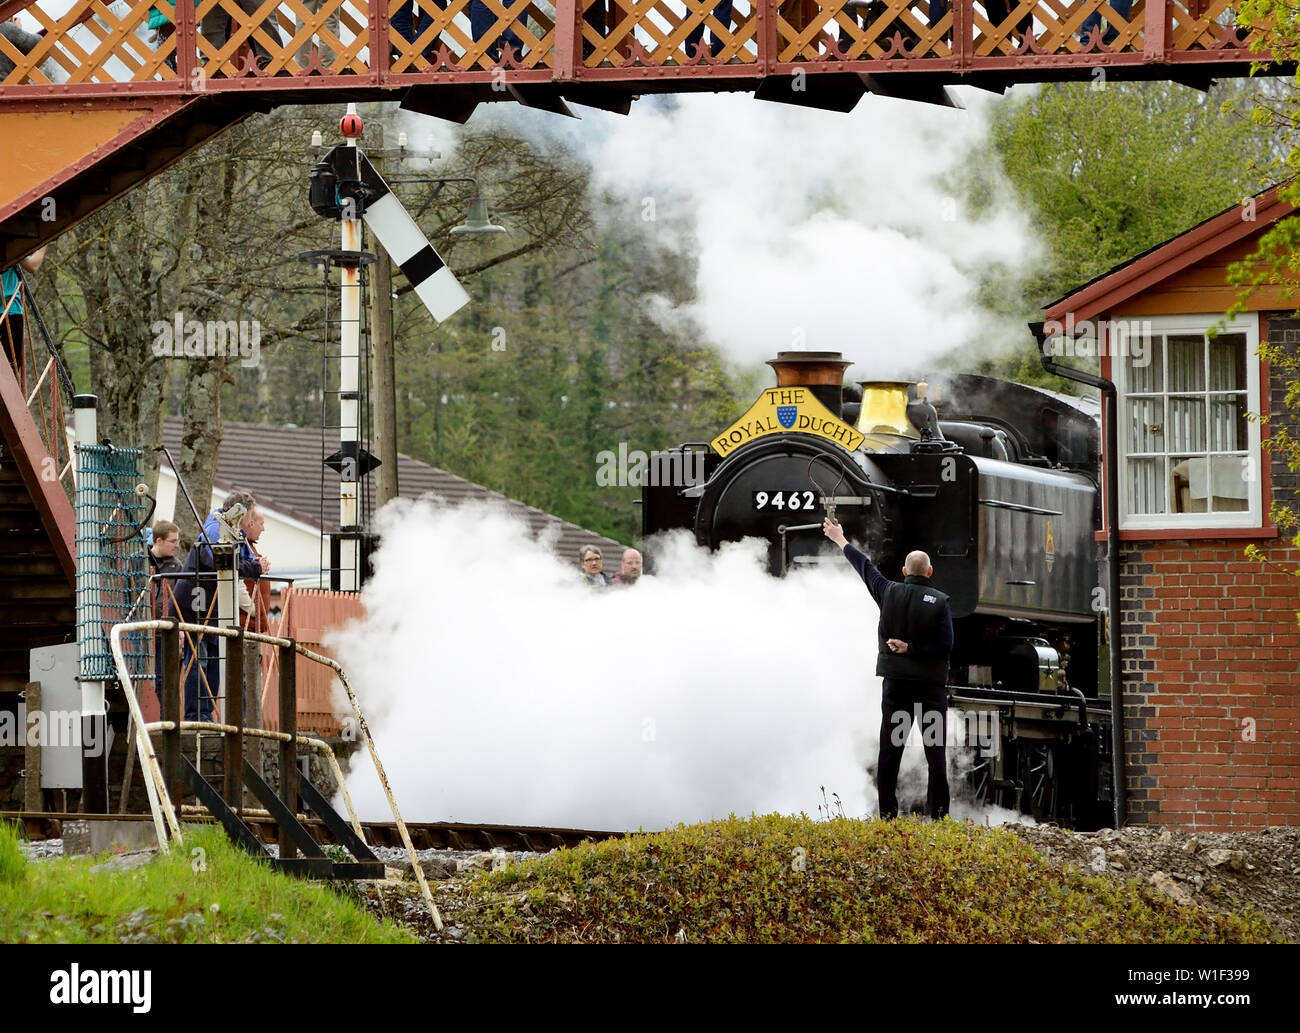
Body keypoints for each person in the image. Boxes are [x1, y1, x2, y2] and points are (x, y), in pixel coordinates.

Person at [823, 517, 953, 821]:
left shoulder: (888, 591)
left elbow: (865, 567)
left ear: (904, 572)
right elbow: (946, 645)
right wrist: (916, 650)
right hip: (931, 692)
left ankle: (887, 816)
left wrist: (840, 539)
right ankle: (939, 817)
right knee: (935, 755)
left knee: (891, 752)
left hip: (897, 689)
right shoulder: (940, 602)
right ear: (930, 573)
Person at [175, 491, 271, 720]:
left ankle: (207, 714)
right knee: (199, 659)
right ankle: (196, 715)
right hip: (196, 603)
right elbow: (225, 561)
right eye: (249, 516)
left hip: (213, 605)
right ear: (240, 512)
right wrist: (256, 568)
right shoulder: (215, 530)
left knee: (214, 662)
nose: (250, 521)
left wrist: (256, 564)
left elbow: (244, 559)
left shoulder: (230, 530)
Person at [148, 520, 183, 704]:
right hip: (145, 627)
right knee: (149, 675)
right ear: (159, 540)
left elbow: (180, 599)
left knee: (165, 677)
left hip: (165, 628)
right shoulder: (141, 561)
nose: (177, 545)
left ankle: (164, 717)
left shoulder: (176, 566)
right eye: (173, 541)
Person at [1, 247, 47, 377]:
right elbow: (32, 265)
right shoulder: (8, 241)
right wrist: (44, 246)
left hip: (9, 310)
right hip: (9, 311)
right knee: (9, 375)